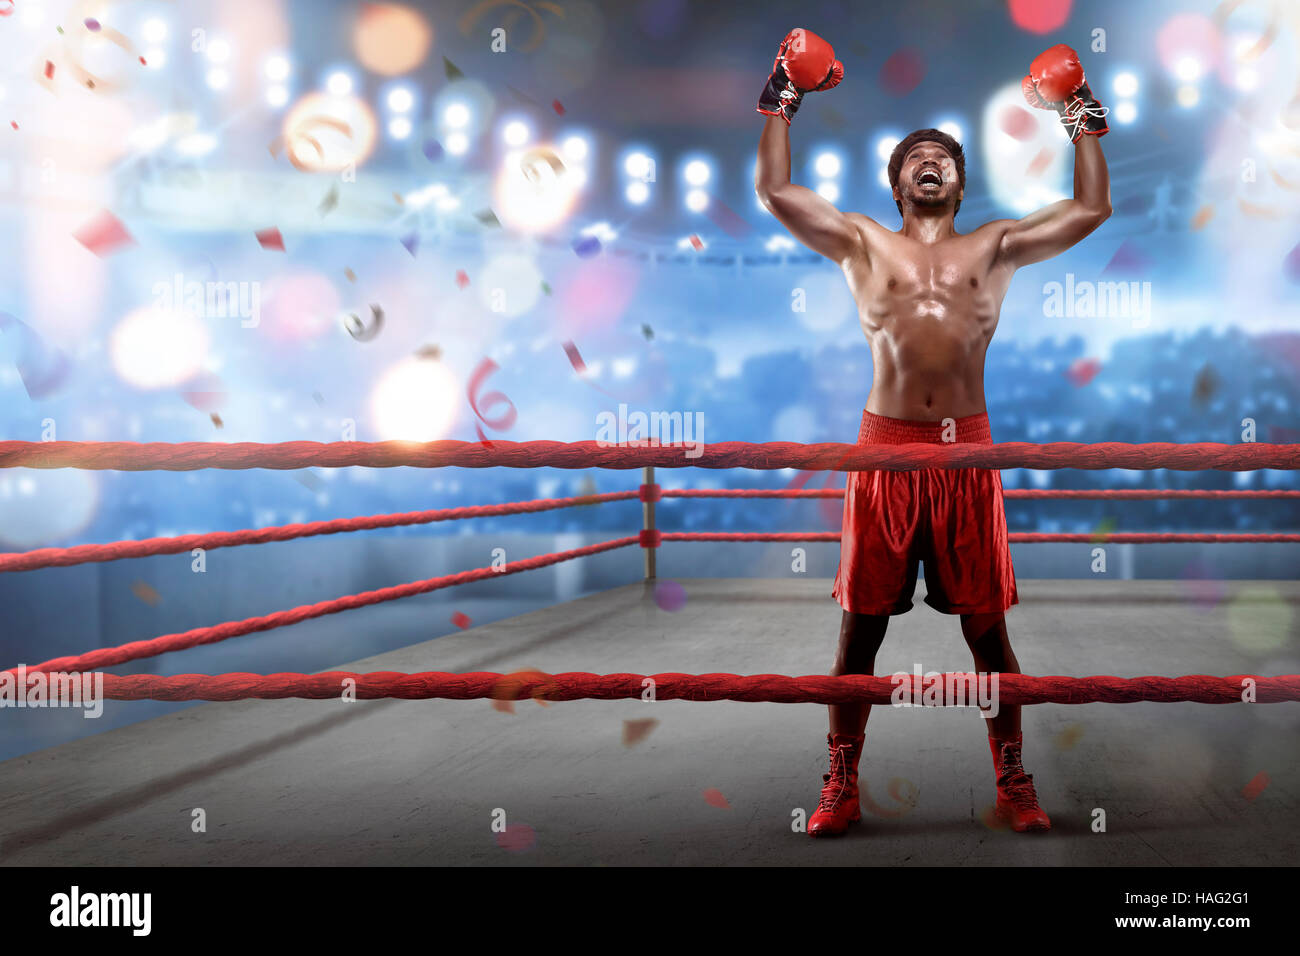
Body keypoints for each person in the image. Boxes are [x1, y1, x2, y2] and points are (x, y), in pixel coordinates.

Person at [754, 30, 1112, 836]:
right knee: (859, 633)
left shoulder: (997, 246)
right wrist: (783, 92)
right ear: (897, 183)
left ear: (957, 184)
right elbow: (776, 191)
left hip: (966, 452)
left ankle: (1014, 782)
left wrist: (1077, 111)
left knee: (988, 633)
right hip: (884, 449)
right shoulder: (859, 241)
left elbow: (1093, 208)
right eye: (916, 154)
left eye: (943, 156)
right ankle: (840, 782)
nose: (931, 160)